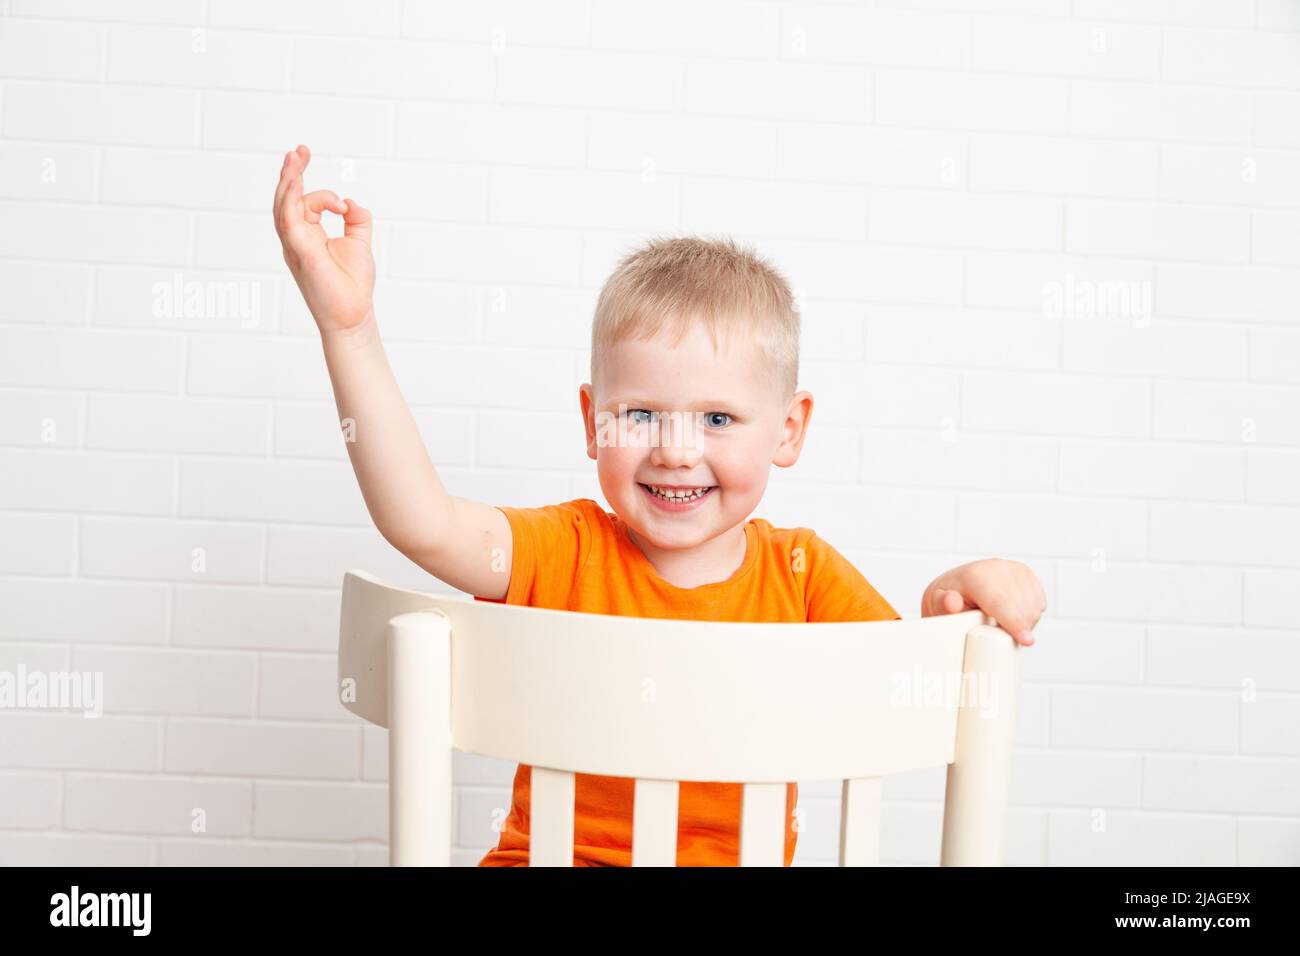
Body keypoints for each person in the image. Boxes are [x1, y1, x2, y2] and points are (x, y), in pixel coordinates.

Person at [272, 144, 1047, 866]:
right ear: (592, 422)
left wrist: (958, 596)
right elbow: (421, 519)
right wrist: (351, 329)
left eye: (716, 418)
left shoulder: (803, 576)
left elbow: (904, 689)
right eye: (642, 414)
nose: (676, 450)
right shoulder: (567, 549)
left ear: (789, 429)